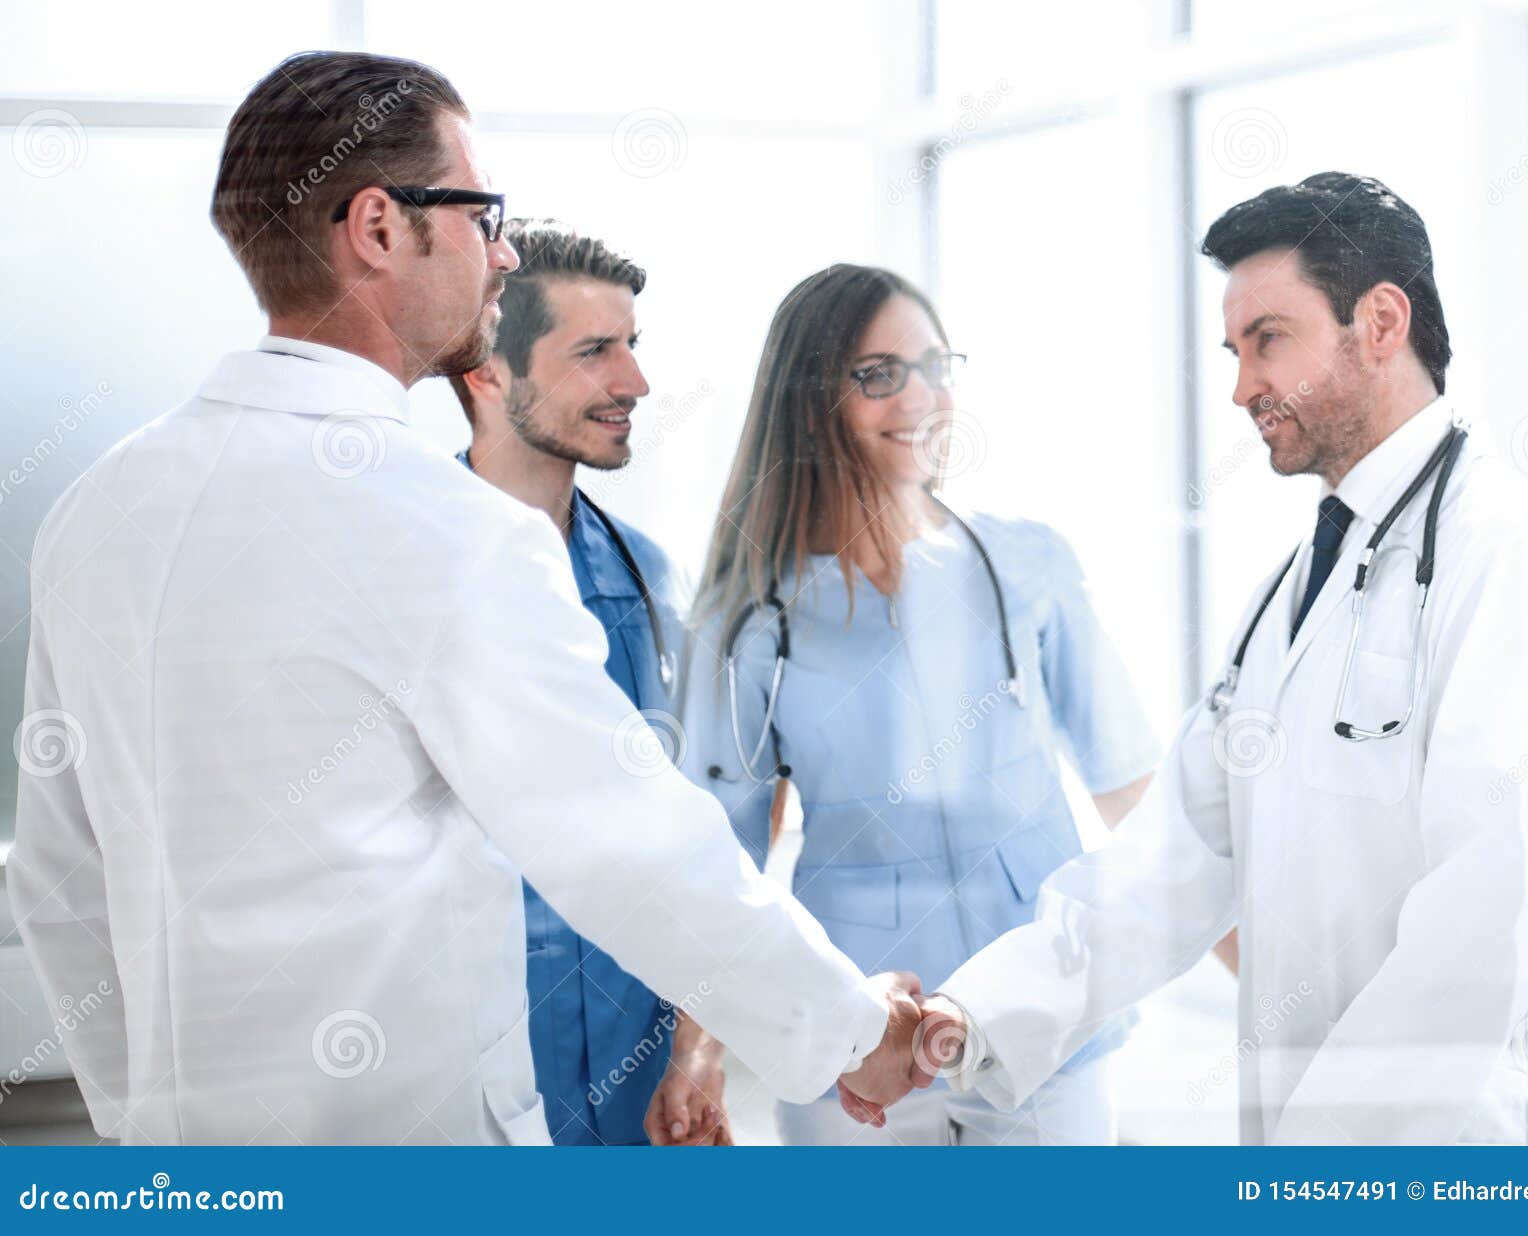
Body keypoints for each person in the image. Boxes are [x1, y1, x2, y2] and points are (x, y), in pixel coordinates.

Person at [5, 51, 934, 1146]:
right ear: (380, 228)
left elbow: (62, 884)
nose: (503, 253)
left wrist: (140, 1128)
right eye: (481, 213)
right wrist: (849, 1032)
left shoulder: (99, 510)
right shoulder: (445, 531)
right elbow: (626, 841)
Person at [893, 173, 1528, 1145]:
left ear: (1380, 322)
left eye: (1268, 339)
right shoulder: (1302, 583)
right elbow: (1175, 856)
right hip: (1310, 1139)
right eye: (1234, 351)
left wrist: (1327, 1149)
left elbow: (1486, 909)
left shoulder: (1503, 556)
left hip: (1458, 1145)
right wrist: (972, 1022)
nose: (1240, 388)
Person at [682, 264, 1161, 1145]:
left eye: (937, 366)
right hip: (854, 1031)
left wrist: (1275, 982)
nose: (923, 397)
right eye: (878, 374)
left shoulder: (1028, 564)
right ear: (812, 400)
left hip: (1038, 1012)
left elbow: (1142, 797)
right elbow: (716, 860)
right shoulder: (749, 614)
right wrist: (696, 1050)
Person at [447, 219, 724, 1146]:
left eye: (632, 348)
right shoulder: (409, 570)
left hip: (634, 1064)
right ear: (487, 369)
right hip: (467, 1057)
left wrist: (698, 1049)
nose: (636, 383)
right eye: (596, 352)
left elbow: (702, 832)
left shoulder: (648, 580)